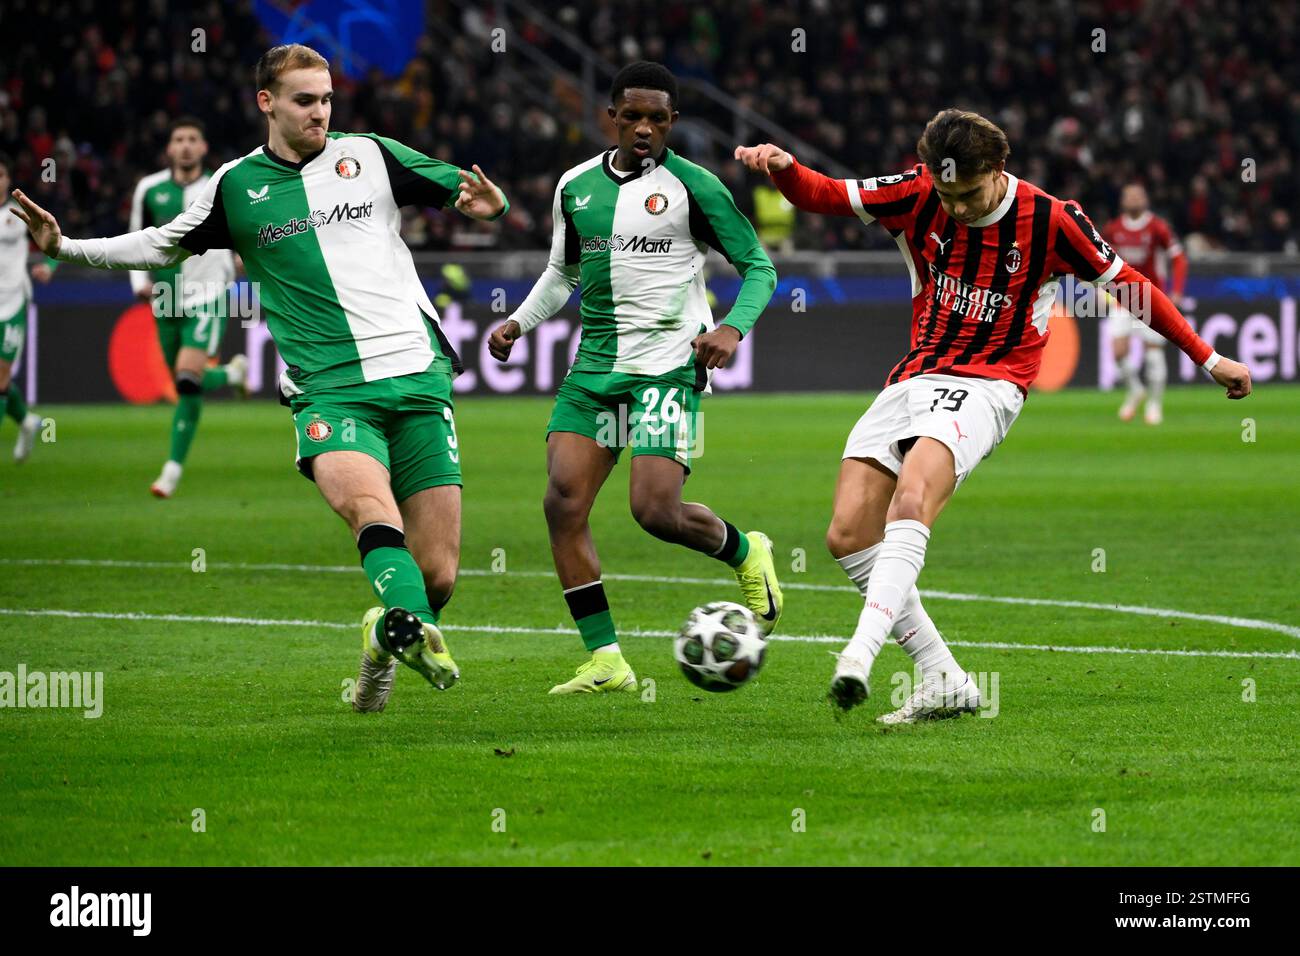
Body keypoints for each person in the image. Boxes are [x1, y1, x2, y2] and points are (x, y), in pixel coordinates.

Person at [10, 44, 510, 713]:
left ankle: (384, 634)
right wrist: (67, 247)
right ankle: (413, 633)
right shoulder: (236, 188)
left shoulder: (372, 155)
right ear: (266, 103)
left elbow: (465, 191)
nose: (321, 113)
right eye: (306, 100)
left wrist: (490, 205)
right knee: (370, 508)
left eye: (328, 99)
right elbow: (159, 243)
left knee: (438, 575)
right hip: (329, 388)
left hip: (417, 376)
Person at [735, 109, 1251, 723]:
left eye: (967, 193)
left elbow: (1131, 286)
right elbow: (824, 194)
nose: (953, 206)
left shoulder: (1054, 219)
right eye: (945, 193)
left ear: (998, 170)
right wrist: (784, 168)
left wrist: (1208, 355)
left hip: (991, 383)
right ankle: (945, 679)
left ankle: (859, 655)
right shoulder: (918, 191)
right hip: (916, 373)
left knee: (912, 499)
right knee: (847, 534)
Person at [489, 62, 781, 695]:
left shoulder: (696, 187)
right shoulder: (575, 186)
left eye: (657, 118)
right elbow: (561, 274)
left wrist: (732, 329)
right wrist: (517, 323)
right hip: (595, 368)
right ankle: (606, 660)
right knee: (562, 503)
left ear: (671, 122)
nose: (644, 128)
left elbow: (759, 267)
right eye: (633, 116)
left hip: (670, 368)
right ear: (611, 118)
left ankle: (744, 550)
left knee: (654, 510)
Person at [128, 117, 246, 497]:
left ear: (204, 147)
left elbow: (242, 227)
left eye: (193, 139)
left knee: (186, 377)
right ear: (169, 148)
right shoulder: (149, 189)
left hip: (210, 292)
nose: (185, 146)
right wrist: (139, 282)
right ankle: (231, 375)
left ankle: (171, 470)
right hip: (165, 295)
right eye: (179, 139)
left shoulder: (222, 184)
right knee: (187, 387)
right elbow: (136, 237)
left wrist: (242, 257)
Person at [1101, 183, 1189, 424]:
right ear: (1122, 201)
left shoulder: (1158, 228)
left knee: (1153, 352)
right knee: (1118, 351)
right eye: (1129, 195)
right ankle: (1136, 390)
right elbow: (1099, 258)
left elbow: (1179, 259)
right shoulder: (1113, 228)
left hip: (1152, 298)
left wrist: (1177, 291)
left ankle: (1154, 404)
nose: (1133, 199)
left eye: (1138, 195)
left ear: (1145, 200)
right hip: (1123, 298)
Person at [0, 152, 53, 462]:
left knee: (1, 376)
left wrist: (49, 266)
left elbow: (54, 237)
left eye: (1, 175)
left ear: (8, 180)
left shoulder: (20, 212)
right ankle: (28, 422)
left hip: (12, 301)